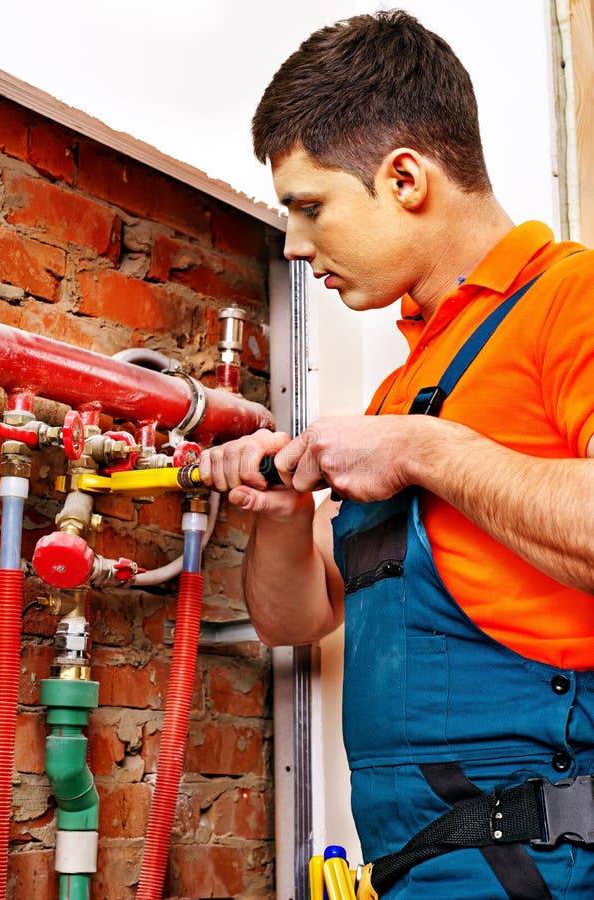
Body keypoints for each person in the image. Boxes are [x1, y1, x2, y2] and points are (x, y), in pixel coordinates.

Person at [199, 10, 594, 899]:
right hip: (417, 863)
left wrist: (422, 449)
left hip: (541, 860)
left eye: (309, 207)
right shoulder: (410, 380)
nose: (297, 246)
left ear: (405, 178)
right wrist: (282, 514)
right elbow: (297, 622)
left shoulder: (569, 300)